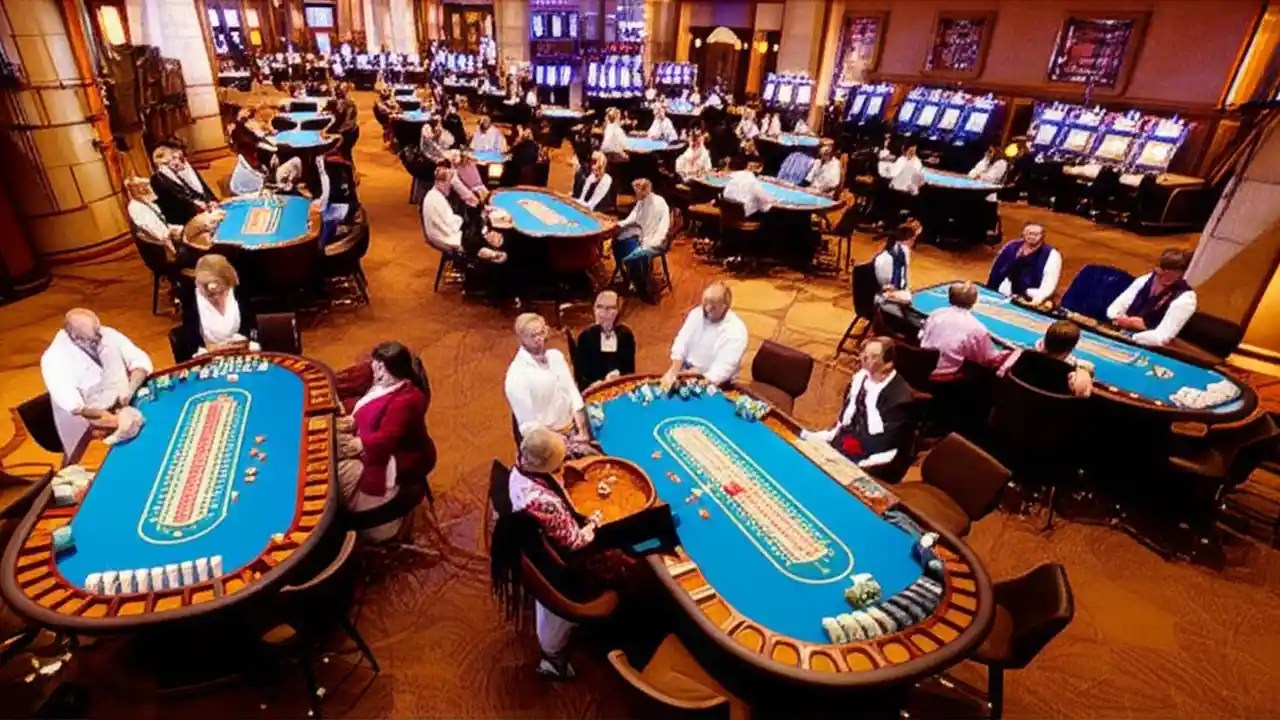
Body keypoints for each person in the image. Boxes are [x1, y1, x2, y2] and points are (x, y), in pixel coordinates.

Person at [342, 342, 434, 540]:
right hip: (377, 448)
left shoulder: (407, 400)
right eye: (375, 366)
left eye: (381, 368)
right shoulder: (385, 383)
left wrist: (354, 445)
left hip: (400, 460)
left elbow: (385, 440)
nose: (376, 372)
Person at [40, 309, 153, 458]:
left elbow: (139, 361)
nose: (99, 339)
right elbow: (79, 409)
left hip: (122, 406)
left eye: (98, 332)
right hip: (88, 426)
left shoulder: (103, 333)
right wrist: (118, 421)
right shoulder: (54, 359)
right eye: (93, 340)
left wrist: (130, 389)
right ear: (75, 337)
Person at [800, 337, 914, 468]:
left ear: (888, 364)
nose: (864, 359)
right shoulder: (860, 378)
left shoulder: (900, 400)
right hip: (847, 442)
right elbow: (847, 418)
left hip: (875, 458)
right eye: (864, 354)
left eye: (873, 357)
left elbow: (884, 444)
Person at [504, 313, 594, 457]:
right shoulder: (516, 376)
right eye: (532, 336)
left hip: (574, 431)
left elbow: (572, 394)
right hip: (547, 444)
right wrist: (560, 442)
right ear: (521, 338)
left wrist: (582, 431)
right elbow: (529, 426)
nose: (539, 339)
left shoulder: (556, 357)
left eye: (541, 333)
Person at [660, 282, 749, 390]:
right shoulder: (697, 313)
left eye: (713, 307)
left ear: (725, 307)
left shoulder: (736, 330)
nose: (707, 309)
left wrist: (696, 377)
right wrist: (674, 370)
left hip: (713, 379)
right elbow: (682, 341)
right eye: (705, 304)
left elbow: (723, 369)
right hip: (686, 369)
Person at [1106, 248, 1197, 347]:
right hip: (1120, 335)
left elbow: (1162, 337)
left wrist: (1135, 333)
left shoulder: (1186, 299)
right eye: (1160, 273)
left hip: (1153, 348)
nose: (1161, 277)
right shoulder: (1146, 280)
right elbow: (1114, 309)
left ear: (1181, 274)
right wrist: (1122, 320)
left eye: (1170, 275)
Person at [919, 281, 1008, 378]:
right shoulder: (976, 328)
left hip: (920, 365)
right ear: (973, 302)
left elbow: (921, 335)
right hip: (944, 377)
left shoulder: (936, 313)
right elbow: (988, 358)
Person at [178, 254, 259, 359]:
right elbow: (192, 344)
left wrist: (243, 344)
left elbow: (252, 327)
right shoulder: (190, 300)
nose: (215, 297)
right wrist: (213, 350)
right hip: (209, 359)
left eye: (221, 292)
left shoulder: (239, 291)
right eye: (209, 294)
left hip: (242, 354)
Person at [421, 166, 507, 264]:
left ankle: (485, 243)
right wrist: (463, 219)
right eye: (449, 183)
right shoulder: (436, 199)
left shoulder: (435, 194)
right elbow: (450, 225)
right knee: (475, 223)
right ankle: (485, 251)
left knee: (475, 218)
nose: (450, 186)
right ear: (441, 182)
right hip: (443, 237)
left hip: (444, 232)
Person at [998, 320, 1093, 398]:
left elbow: (1000, 374)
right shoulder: (1070, 374)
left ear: (1045, 339)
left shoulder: (1023, 357)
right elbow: (1084, 396)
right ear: (1071, 349)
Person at [613, 178, 670, 303]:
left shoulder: (660, 203)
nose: (636, 195)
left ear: (646, 191)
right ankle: (628, 277)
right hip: (641, 236)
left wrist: (650, 244)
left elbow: (663, 230)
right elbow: (633, 217)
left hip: (655, 240)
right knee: (617, 242)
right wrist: (619, 225)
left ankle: (643, 287)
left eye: (637, 193)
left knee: (635, 254)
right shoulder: (641, 201)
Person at [573, 291, 636, 389]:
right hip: (594, 391)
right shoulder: (586, 337)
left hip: (619, 388)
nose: (604, 313)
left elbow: (630, 372)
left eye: (610, 308)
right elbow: (580, 376)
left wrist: (619, 376)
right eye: (599, 307)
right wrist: (595, 385)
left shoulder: (625, 336)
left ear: (618, 311)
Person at [986, 222, 1062, 304]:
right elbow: (996, 271)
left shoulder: (1052, 255)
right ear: (1023, 234)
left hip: (1029, 300)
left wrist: (1030, 297)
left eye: (1036, 234)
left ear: (1042, 236)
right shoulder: (1011, 247)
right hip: (1002, 294)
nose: (1032, 237)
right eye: (1030, 233)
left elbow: (1048, 287)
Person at [150, 145, 217, 225]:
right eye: (173, 158)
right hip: (184, 221)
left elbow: (201, 189)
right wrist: (197, 205)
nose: (177, 161)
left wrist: (210, 201)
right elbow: (177, 200)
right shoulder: (157, 179)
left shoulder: (180, 171)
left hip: (200, 212)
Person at [126, 176, 181, 253]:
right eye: (136, 187)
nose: (141, 189)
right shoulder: (134, 207)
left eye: (142, 186)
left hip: (170, 234)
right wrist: (169, 234)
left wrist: (177, 229)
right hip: (163, 243)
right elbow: (150, 229)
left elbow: (162, 221)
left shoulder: (147, 201)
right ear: (130, 190)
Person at [873, 220, 918, 309]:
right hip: (882, 295)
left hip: (889, 290)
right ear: (908, 240)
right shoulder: (889, 257)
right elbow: (886, 284)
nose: (913, 244)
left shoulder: (900, 250)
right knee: (909, 299)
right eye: (913, 240)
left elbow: (903, 277)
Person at [331, 84, 360, 162]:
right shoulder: (339, 102)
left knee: (345, 152)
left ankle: (349, 171)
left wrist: (339, 131)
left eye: (340, 91)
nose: (337, 93)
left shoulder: (349, 103)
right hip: (346, 131)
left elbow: (348, 122)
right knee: (344, 152)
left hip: (350, 132)